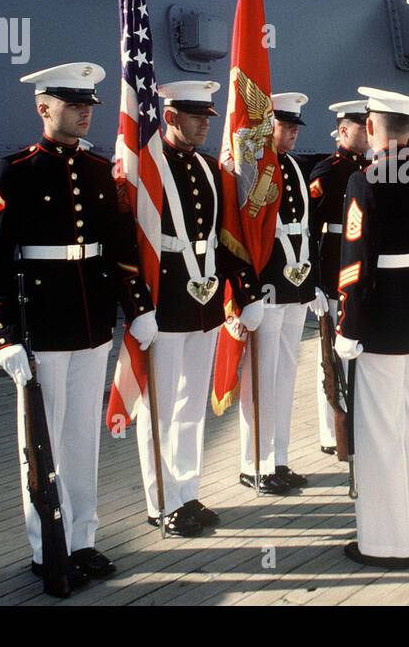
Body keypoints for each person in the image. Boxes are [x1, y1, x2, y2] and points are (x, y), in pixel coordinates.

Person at [0, 62, 155, 588]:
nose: (84, 112)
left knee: (83, 437)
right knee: (42, 439)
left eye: (89, 105)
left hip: (91, 322)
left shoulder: (101, 171)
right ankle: (46, 547)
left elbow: (121, 248)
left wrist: (138, 307)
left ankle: (83, 539)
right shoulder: (15, 171)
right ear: (44, 108)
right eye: (73, 103)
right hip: (42, 324)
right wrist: (5, 336)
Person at [335, 86, 409, 569]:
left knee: (380, 431)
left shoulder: (365, 182)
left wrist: (349, 324)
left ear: (370, 127)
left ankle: (384, 544)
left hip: (380, 322)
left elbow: (356, 260)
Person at [138, 81, 235, 537]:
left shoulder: (210, 169)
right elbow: (134, 239)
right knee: (160, 406)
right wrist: (138, 304)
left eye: (207, 118)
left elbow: (219, 236)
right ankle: (161, 501)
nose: (203, 125)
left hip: (206, 298)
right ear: (171, 117)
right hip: (167, 295)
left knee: (191, 403)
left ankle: (187, 492)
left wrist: (242, 293)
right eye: (195, 117)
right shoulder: (149, 168)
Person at [237, 92, 322, 495]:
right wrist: (246, 292)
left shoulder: (294, 166)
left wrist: (314, 283)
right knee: (261, 376)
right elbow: (244, 232)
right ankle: (253, 461)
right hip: (267, 280)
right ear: (267, 125)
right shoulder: (253, 167)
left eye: (294, 127)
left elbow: (307, 227)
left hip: (296, 282)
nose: (291, 134)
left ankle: (279, 457)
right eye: (285, 126)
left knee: (286, 374)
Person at [306, 98, 371, 455]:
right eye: (362, 127)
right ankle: (332, 431)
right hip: (333, 272)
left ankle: (355, 423)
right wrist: (314, 280)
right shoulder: (326, 172)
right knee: (331, 359)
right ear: (344, 130)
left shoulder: (372, 169)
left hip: (359, 273)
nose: (368, 133)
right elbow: (311, 231)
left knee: (356, 352)